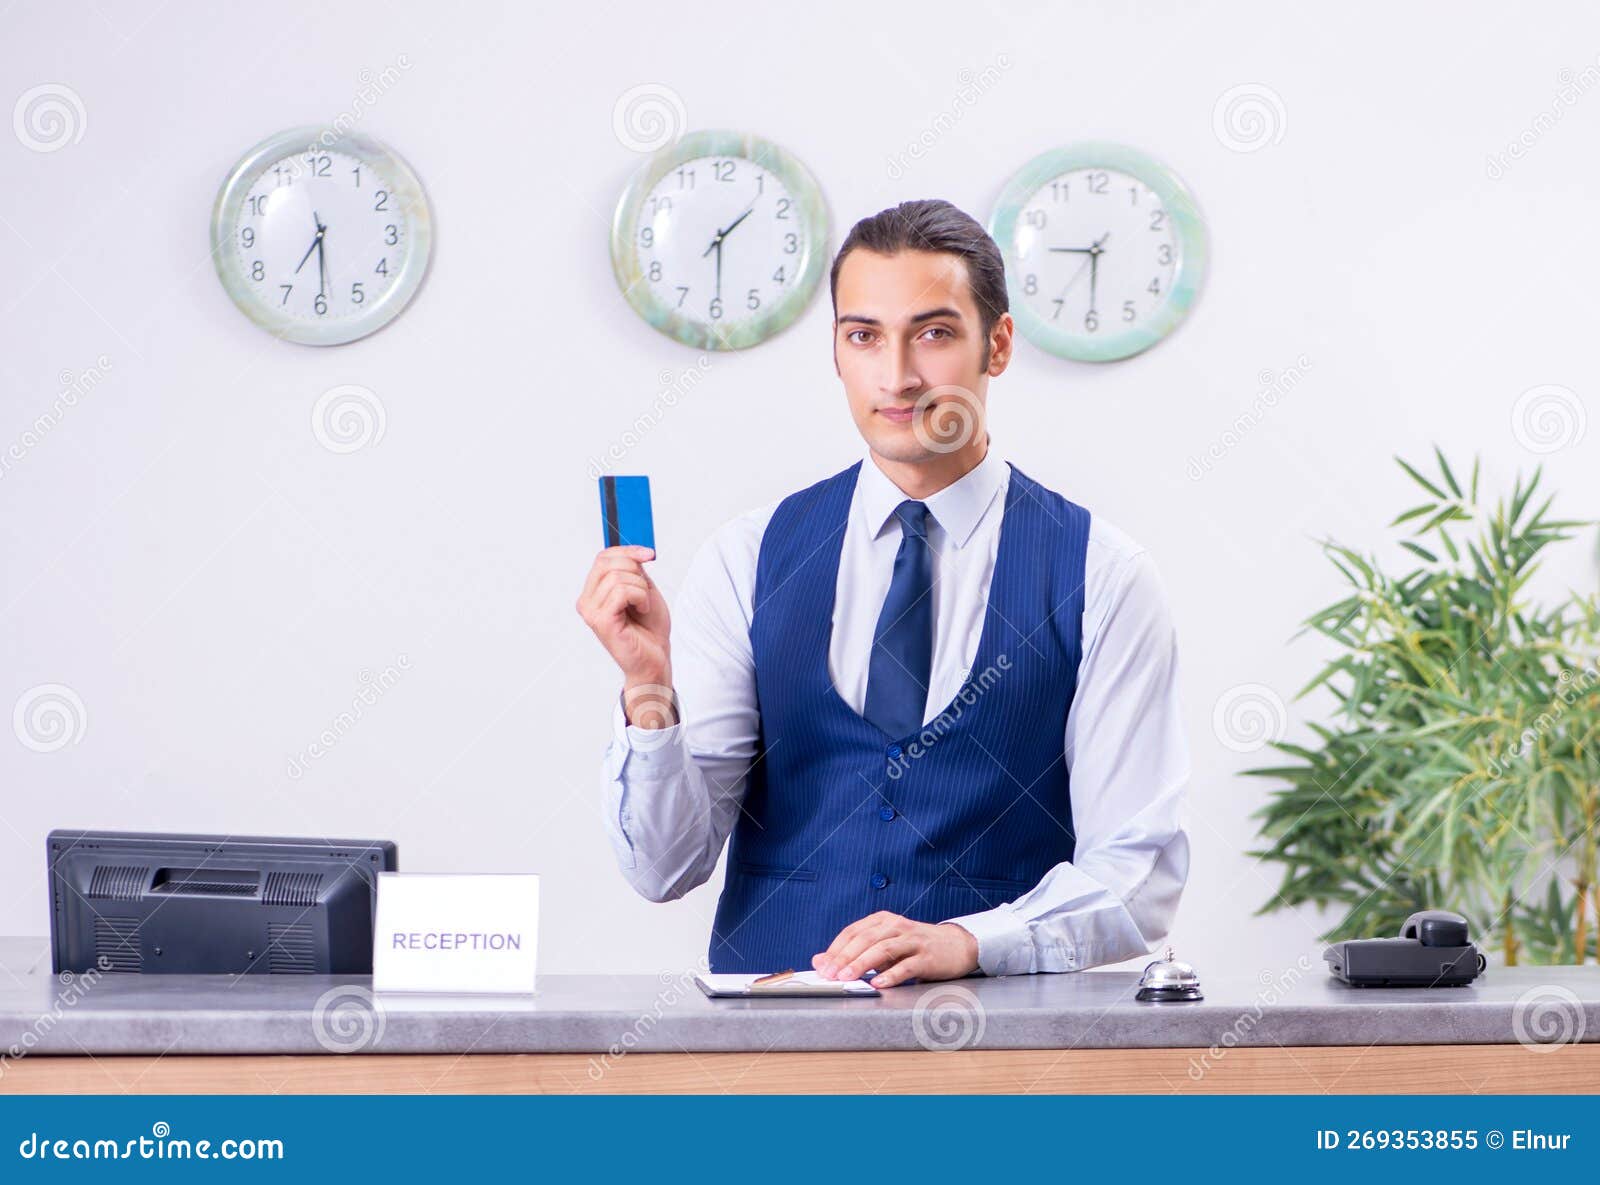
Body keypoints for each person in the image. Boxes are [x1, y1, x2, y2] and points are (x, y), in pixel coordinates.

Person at [578, 199, 1189, 987]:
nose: (897, 375)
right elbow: (664, 868)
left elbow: (1138, 874)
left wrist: (973, 939)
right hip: (769, 1060)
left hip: (1004, 1057)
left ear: (996, 346)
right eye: (864, 336)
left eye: (933, 334)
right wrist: (648, 690)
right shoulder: (748, 558)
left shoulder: (1102, 574)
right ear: (837, 353)